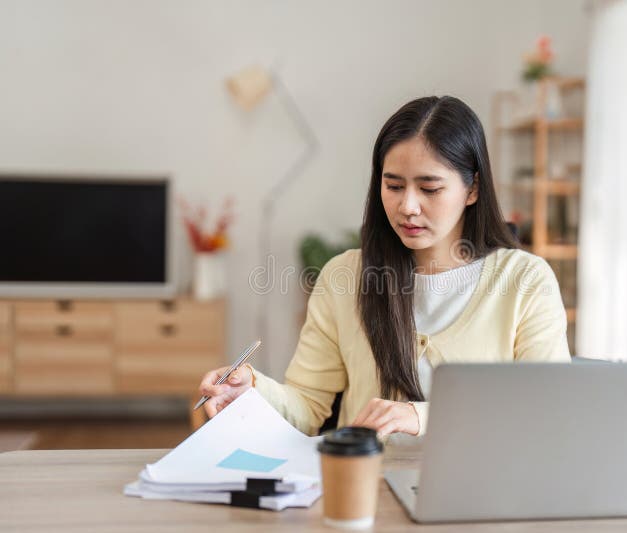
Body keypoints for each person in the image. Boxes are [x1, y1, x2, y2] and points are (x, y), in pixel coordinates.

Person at [199, 96, 570, 438]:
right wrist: (253, 393)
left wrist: (421, 416)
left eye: (429, 189)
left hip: (478, 496)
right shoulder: (344, 277)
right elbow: (307, 406)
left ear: (472, 189)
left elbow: (546, 408)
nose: (408, 206)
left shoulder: (526, 281)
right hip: (362, 489)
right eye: (393, 186)